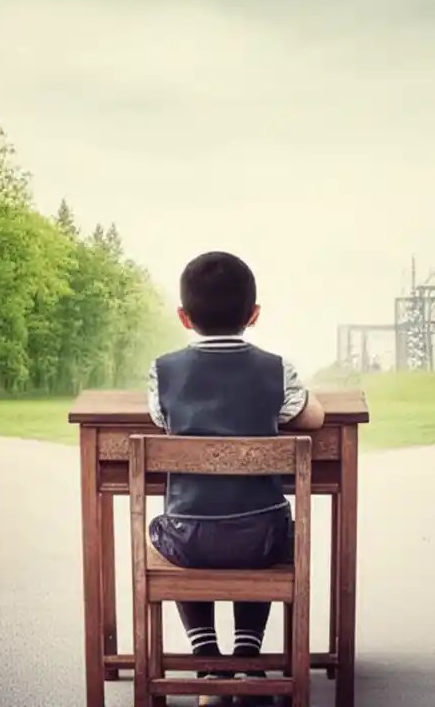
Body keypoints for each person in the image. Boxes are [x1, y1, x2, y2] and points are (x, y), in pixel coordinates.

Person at [146, 251, 325, 706]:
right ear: (254, 314)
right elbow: (312, 419)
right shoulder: (276, 368)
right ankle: (247, 658)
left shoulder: (163, 371)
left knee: (184, 520)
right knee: (270, 525)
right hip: (260, 540)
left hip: (190, 542)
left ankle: (208, 661)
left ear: (184, 317)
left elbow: (160, 419)